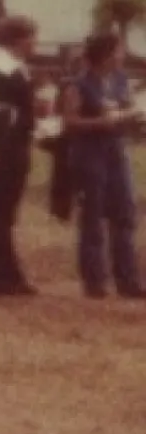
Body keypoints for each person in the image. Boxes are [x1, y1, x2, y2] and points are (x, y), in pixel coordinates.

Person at [58, 32, 141, 298]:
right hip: (89, 153)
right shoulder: (78, 84)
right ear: (105, 54)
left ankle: (128, 280)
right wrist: (99, 123)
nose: (122, 56)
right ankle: (95, 282)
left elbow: (127, 107)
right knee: (92, 216)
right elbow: (69, 122)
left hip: (115, 150)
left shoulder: (119, 80)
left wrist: (129, 114)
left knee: (124, 214)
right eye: (118, 51)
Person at [0, 16, 44, 297]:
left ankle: (3, 272)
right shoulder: (0, 69)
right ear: (19, 40)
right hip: (5, 147)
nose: (35, 43)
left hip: (15, 145)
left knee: (4, 212)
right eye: (32, 37)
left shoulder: (14, 68)